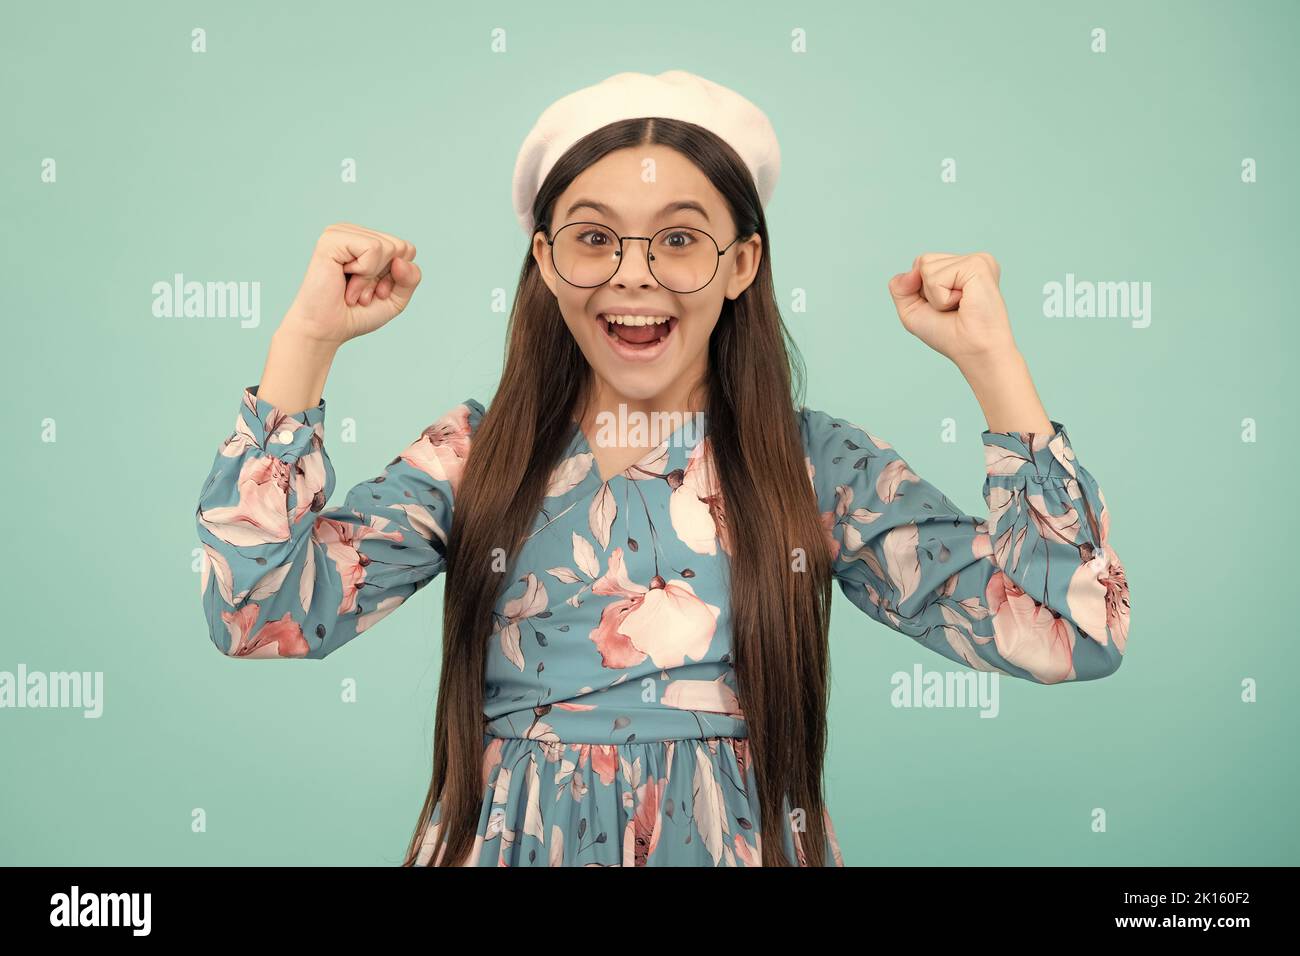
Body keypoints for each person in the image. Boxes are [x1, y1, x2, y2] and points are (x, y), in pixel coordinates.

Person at [195, 70, 1131, 867]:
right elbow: (257, 608)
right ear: (546, 262)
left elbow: (1068, 632)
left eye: (680, 238)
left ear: (741, 264)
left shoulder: (812, 467)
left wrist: (993, 366)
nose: (633, 274)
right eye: (594, 236)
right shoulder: (475, 456)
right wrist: (308, 341)